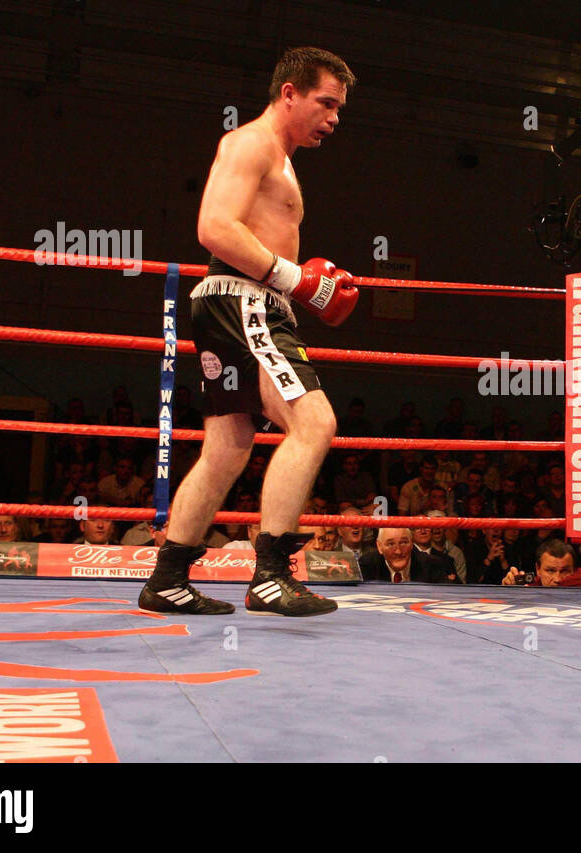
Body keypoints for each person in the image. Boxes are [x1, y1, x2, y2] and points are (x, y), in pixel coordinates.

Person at [137, 47, 358, 618]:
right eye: (325, 102)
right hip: (244, 298)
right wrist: (291, 278)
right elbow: (214, 226)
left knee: (227, 447)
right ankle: (269, 577)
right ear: (289, 93)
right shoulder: (250, 143)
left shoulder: (281, 159)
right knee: (314, 423)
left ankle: (166, 578)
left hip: (248, 300)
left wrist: (295, 287)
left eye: (339, 108)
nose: (334, 118)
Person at [501, 539, 581, 588]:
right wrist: (509, 589)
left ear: (574, 569)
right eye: (550, 571)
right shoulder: (530, 585)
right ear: (538, 569)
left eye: (565, 571)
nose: (557, 579)